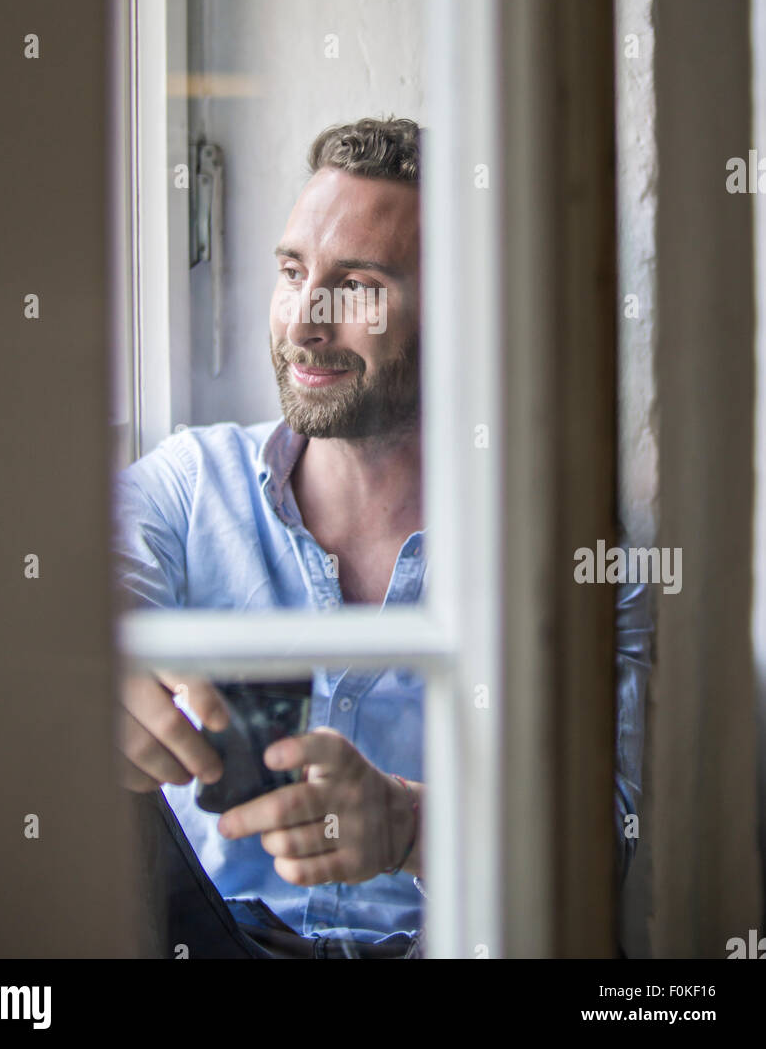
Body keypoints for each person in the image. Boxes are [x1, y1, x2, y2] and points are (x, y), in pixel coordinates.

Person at [112, 116, 648, 959]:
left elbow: (613, 841)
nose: (303, 324)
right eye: (294, 272)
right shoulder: (187, 487)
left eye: (356, 286)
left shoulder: (573, 558)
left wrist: (411, 825)